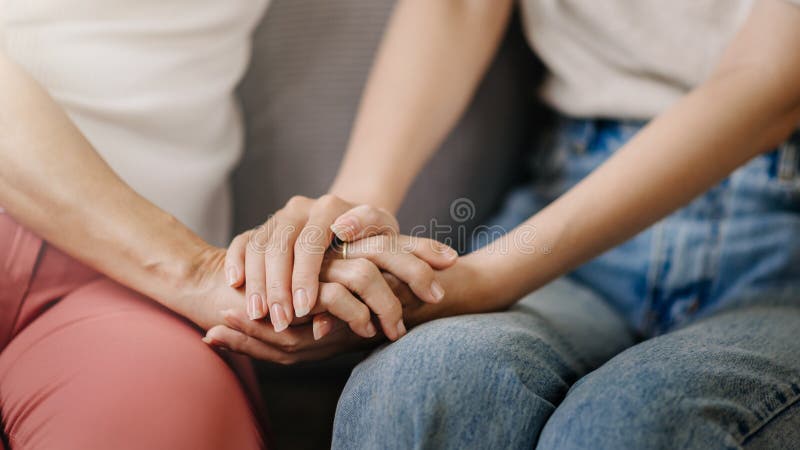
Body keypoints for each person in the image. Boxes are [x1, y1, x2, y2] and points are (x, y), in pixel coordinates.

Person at [215, 0, 800, 448]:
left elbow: (770, 81)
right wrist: (353, 219)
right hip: (568, 196)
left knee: (630, 424)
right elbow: (461, 6)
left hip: (782, 246)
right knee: (416, 384)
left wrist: (485, 279)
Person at [0, 1, 452, 448]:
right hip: (163, 263)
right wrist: (191, 269)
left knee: (170, 424)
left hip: (128, 291)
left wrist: (344, 222)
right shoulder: (189, 272)